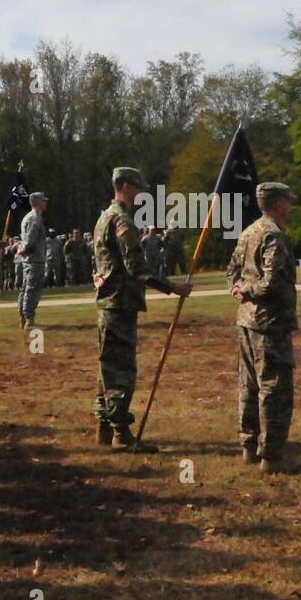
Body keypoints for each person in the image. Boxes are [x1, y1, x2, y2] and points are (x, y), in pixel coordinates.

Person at [91, 168, 192, 452]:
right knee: (122, 371)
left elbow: (101, 260)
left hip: (109, 302)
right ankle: (121, 434)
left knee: (107, 367)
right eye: (137, 187)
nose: (141, 193)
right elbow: (136, 266)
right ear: (123, 186)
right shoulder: (122, 220)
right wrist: (172, 287)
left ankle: (104, 427)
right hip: (120, 303)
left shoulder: (103, 218)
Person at [227, 183, 299, 474]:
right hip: (269, 322)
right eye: (288, 202)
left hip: (246, 321)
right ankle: (271, 456)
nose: (290, 208)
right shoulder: (273, 235)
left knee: (249, 384)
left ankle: (249, 446)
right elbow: (271, 282)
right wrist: (248, 291)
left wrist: (240, 290)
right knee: (274, 388)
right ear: (279, 204)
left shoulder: (248, 232)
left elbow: (232, 270)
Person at [17, 193, 48, 328]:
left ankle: (24, 317)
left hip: (30, 259)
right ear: (37, 202)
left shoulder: (29, 217)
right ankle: (29, 319)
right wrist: (25, 250)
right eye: (43, 200)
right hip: (34, 259)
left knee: (26, 289)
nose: (46, 203)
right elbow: (30, 241)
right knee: (32, 289)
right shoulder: (35, 218)